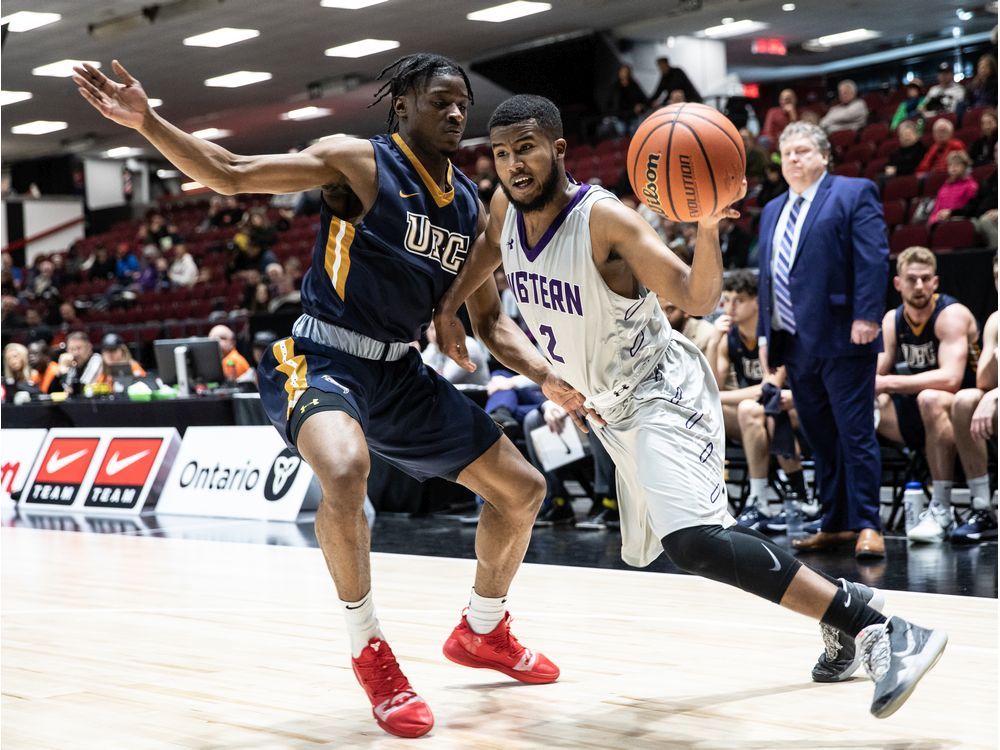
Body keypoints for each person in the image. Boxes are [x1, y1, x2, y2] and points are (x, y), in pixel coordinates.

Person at [75, 54, 592, 739]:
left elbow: (489, 321)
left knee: (522, 491)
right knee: (346, 470)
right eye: (441, 101)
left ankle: (484, 629)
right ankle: (370, 649)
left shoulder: (470, 205)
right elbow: (229, 173)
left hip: (399, 374)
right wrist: (148, 122)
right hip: (321, 356)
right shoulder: (357, 161)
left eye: (463, 102)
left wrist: (547, 377)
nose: (457, 113)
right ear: (403, 107)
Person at [433, 94, 947, 718]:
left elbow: (696, 297)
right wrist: (452, 306)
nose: (514, 165)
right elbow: (488, 265)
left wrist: (706, 229)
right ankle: (839, 617)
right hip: (610, 411)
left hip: (662, 392)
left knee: (694, 541)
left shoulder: (606, 222)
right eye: (504, 154)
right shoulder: (503, 211)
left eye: (527, 150)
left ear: (558, 150)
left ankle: (880, 627)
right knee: (703, 538)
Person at [756, 122, 889, 560]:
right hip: (793, 340)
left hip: (844, 334)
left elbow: (872, 257)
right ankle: (834, 523)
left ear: (824, 157)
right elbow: (769, 278)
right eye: (786, 152)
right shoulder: (773, 207)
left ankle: (868, 523)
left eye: (802, 151)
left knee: (855, 434)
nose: (792, 159)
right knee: (819, 438)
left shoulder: (853, 192)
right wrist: (764, 332)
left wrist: (868, 315)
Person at [873, 247, 980, 543]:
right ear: (898, 284)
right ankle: (850, 510)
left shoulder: (951, 314)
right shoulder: (892, 320)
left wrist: (888, 383)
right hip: (920, 418)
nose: (919, 286)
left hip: (967, 413)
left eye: (925, 279)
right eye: (911, 279)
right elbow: (876, 377)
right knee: (866, 405)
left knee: (931, 397)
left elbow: (950, 379)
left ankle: (941, 507)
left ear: (935, 282)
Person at [711, 271, 812, 531]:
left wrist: (716, 396)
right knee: (712, 411)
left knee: (750, 408)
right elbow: (711, 385)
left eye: (738, 300)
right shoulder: (729, 338)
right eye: (726, 300)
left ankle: (761, 500)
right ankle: (765, 501)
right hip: (756, 413)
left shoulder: (774, 334)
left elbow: (769, 388)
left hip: (795, 409)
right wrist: (713, 342)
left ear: (756, 301)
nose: (730, 308)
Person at [948, 301, 998, 543]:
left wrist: (996, 394)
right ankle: (983, 508)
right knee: (965, 401)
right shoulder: (995, 320)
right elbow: (983, 381)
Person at [421, 319, 489, 386]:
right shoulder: (433, 346)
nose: (435, 333)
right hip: (452, 393)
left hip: (476, 395)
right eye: (431, 328)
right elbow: (420, 369)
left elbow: (445, 379)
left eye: (439, 327)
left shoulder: (468, 345)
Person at [928, 151, 977, 225]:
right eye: (950, 165)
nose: (953, 168)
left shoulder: (971, 186)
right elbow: (936, 210)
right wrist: (934, 219)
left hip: (958, 221)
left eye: (957, 165)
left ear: (965, 167)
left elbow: (969, 209)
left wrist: (951, 214)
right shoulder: (944, 187)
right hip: (941, 222)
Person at [58, 331, 103, 395]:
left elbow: (83, 387)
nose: (75, 353)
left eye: (79, 348)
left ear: (89, 347)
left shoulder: (96, 359)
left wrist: (65, 374)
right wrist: (63, 370)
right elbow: (66, 391)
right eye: (71, 349)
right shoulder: (72, 363)